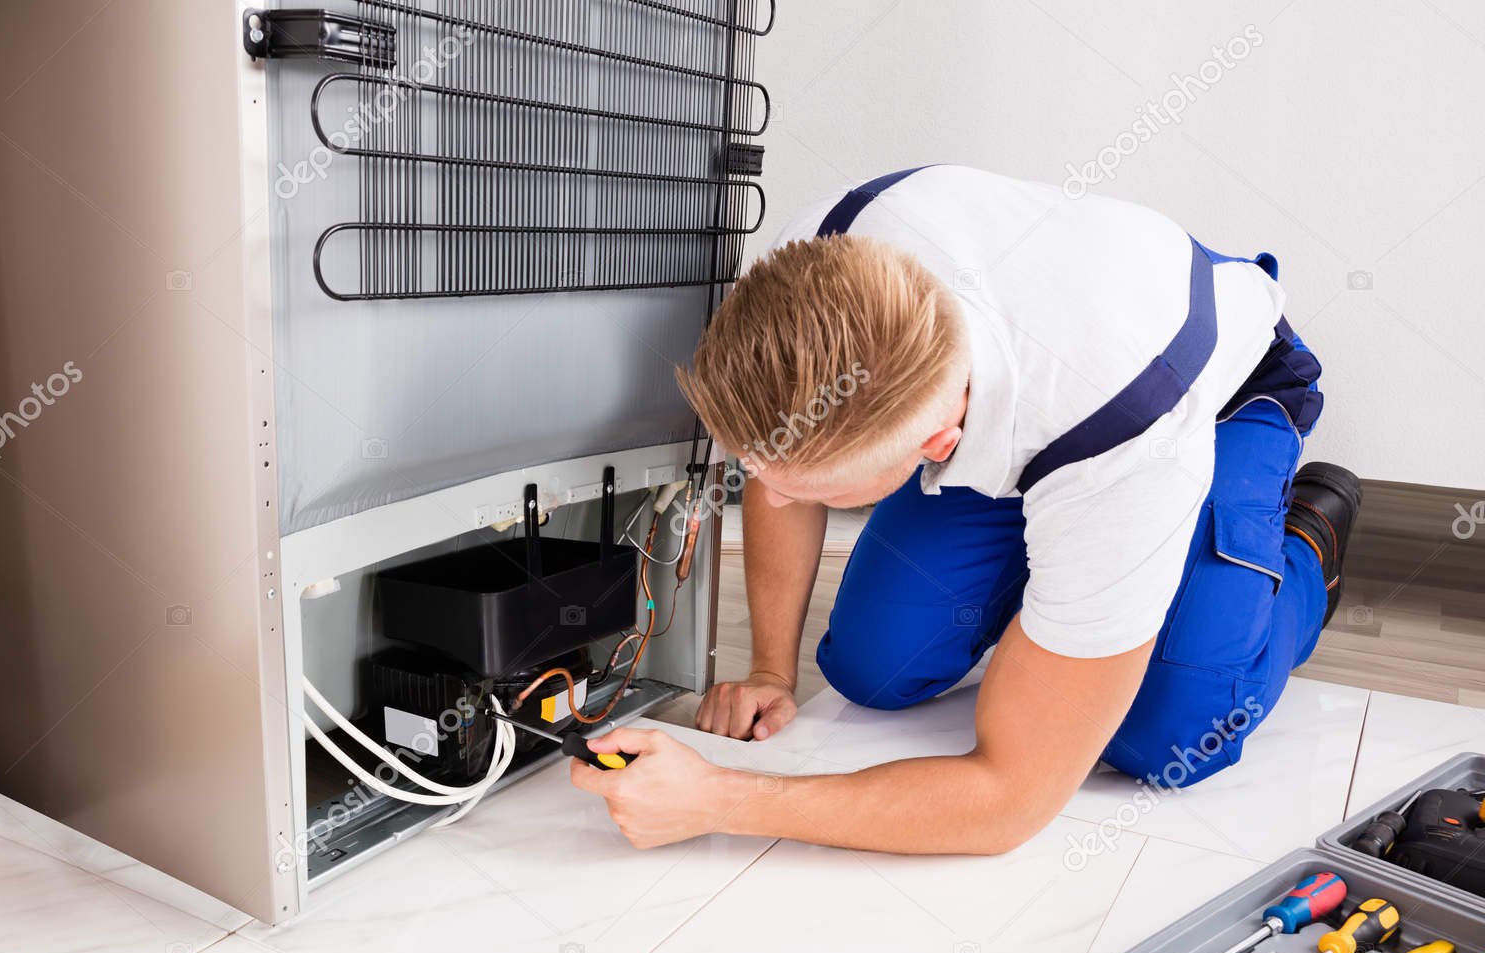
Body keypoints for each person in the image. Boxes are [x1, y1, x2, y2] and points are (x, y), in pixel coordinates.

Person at [571, 164, 1361, 854]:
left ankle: (1304, 549)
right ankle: (1078, 570)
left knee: (1168, 730)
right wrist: (772, 669)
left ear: (935, 441)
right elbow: (784, 463)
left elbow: (1009, 801)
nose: (768, 497)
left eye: (809, 488)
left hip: (1222, 397)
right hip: (1039, 408)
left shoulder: (1127, 434)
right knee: (870, 667)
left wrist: (724, 800)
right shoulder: (811, 266)